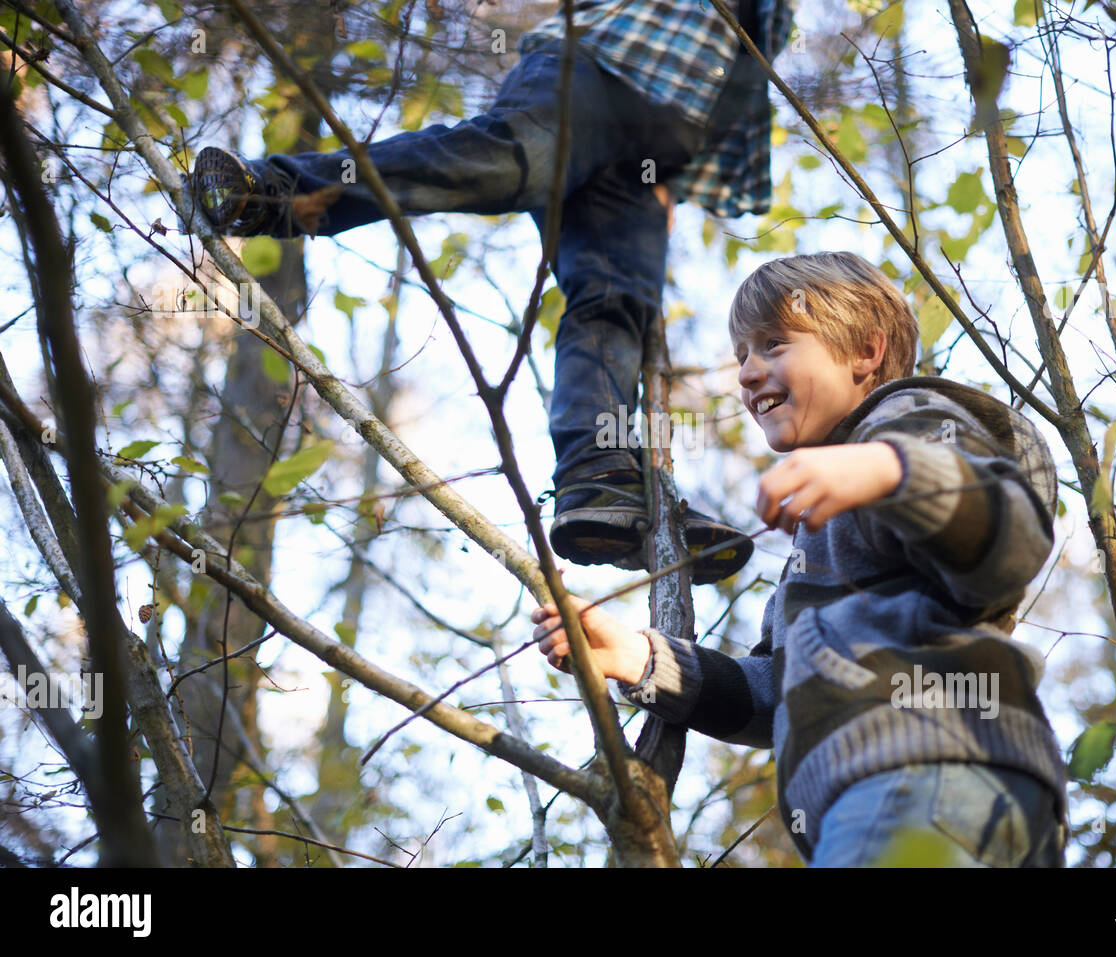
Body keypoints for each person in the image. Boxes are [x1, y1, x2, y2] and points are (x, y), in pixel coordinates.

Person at [187, 0, 795, 584]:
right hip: (594, 69)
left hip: (658, 157)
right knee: (512, 160)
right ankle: (272, 191)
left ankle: (600, 476)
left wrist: (674, 182)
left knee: (617, 303)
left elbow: (735, 77)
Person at [532, 251, 1069, 866]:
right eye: (741, 357)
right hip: (898, 793)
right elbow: (772, 696)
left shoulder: (906, 421)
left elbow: (1013, 539)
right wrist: (641, 658)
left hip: (929, 771)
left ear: (866, 352)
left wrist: (891, 469)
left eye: (774, 344)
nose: (748, 373)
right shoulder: (830, 532)